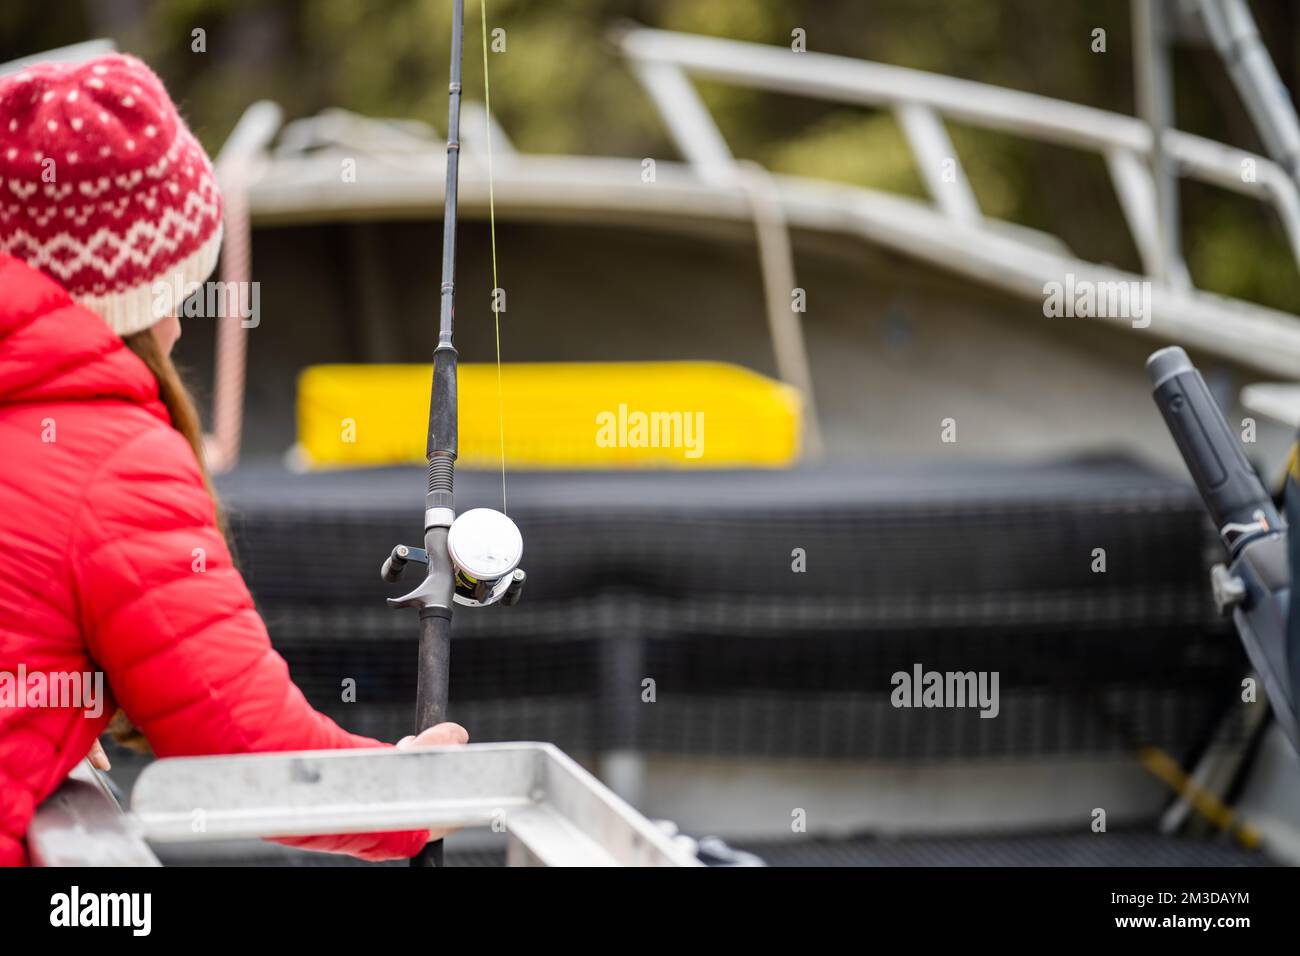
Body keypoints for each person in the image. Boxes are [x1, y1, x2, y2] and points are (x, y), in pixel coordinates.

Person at [0, 53, 465, 866]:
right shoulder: (115, 462)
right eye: (179, 295)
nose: (182, 328)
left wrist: (56, 711)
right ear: (136, 299)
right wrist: (417, 792)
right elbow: (249, 756)